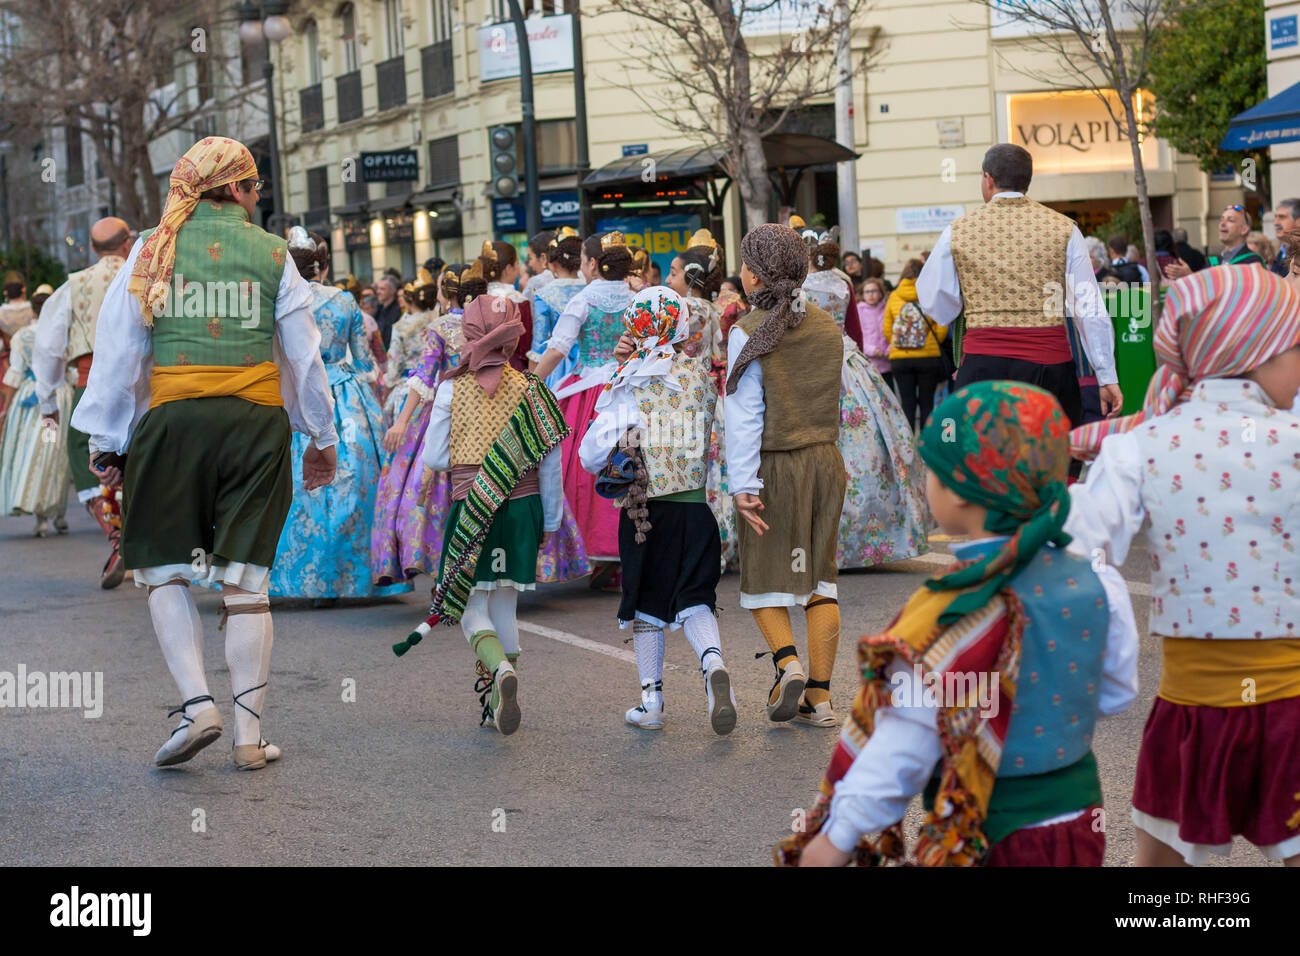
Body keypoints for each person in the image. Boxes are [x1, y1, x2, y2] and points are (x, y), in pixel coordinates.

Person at [776, 380, 1139, 867]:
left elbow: (902, 752)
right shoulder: (1098, 581)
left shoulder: (950, 611)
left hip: (987, 835)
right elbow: (1116, 691)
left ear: (963, 494)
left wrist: (835, 839)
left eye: (933, 472)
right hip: (1077, 823)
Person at [71, 137, 338, 770]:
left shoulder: (151, 249)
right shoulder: (276, 255)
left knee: (162, 570)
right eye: (254, 189)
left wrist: (108, 439)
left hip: (175, 422)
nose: (255, 200)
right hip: (255, 423)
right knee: (248, 581)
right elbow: (304, 357)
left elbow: (121, 353)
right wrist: (319, 436)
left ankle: (198, 706)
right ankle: (248, 740)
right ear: (240, 188)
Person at [1070, 265, 1300, 867]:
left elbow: (1082, 553)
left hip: (1189, 712)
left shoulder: (1142, 444)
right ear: (1256, 351)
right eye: (1297, 347)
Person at [406, 295, 567, 735]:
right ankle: (499, 701)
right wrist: (549, 523)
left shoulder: (452, 389)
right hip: (523, 509)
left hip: (474, 506)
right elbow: (549, 464)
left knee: (469, 606)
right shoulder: (535, 390)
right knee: (506, 607)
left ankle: (499, 671)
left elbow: (437, 456)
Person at [580, 286, 735, 734]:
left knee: (647, 605)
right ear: (681, 324)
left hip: (646, 513)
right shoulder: (700, 376)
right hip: (696, 507)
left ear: (634, 325)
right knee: (695, 598)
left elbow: (592, 455)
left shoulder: (628, 380)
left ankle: (652, 702)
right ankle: (713, 666)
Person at [724, 223, 846, 728]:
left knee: (763, 580)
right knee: (821, 580)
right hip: (824, 460)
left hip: (776, 465)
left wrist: (743, 485)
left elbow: (745, 416)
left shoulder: (747, 331)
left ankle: (786, 662)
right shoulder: (826, 325)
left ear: (755, 274)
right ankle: (819, 697)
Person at [916, 142, 1121, 429]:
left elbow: (935, 302)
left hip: (982, 366)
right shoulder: (1064, 229)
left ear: (988, 178)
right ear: (1027, 180)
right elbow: (1088, 307)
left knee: (981, 459)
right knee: (1050, 459)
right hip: (1048, 367)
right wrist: (1106, 375)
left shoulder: (958, 230)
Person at [269, 228, 409, 601]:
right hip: (344, 397)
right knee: (357, 479)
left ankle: (297, 578)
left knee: (294, 485)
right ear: (322, 266)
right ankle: (355, 576)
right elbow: (364, 362)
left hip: (292, 393)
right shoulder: (344, 300)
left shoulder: (277, 298)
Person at [805, 237, 930, 579]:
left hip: (811, 362)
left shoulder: (797, 284)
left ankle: (822, 544)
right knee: (870, 445)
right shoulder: (845, 282)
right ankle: (872, 537)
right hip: (849, 362)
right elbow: (854, 331)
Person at [33, 218, 135, 588]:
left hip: (91, 381)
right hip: (146, 383)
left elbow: (47, 347)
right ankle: (155, 545)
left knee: (86, 456)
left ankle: (115, 537)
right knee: (147, 454)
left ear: (92, 248)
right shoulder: (147, 273)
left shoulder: (73, 286)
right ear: (128, 243)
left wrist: (49, 404)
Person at [534, 232, 636, 578]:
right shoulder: (637, 298)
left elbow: (558, 347)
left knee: (578, 467)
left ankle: (590, 551)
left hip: (589, 392)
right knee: (627, 462)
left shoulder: (583, 299)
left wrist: (531, 383)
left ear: (592, 264)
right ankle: (624, 551)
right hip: (630, 387)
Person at [372, 262, 477, 585]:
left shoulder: (441, 326)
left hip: (441, 413)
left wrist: (402, 421)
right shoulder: (488, 321)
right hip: (484, 410)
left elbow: (423, 377)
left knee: (426, 489)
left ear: (445, 294)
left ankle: (436, 562)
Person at [665, 230, 735, 573]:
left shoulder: (681, 308)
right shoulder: (711, 307)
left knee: (688, 476)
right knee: (715, 474)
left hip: (683, 399)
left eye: (674, 272)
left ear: (689, 277)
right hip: (711, 396)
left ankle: (695, 549)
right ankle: (719, 541)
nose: (668, 278)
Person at [0, 313, 72, 536]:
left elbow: (15, 374)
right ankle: (54, 512)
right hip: (55, 400)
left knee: (33, 453)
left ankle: (43, 513)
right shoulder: (63, 334)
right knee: (54, 454)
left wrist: (6, 408)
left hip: (31, 405)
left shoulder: (22, 336)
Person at [884, 258, 947, 432]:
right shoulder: (930, 293)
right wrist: (932, 341)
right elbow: (941, 323)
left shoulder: (894, 296)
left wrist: (899, 344)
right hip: (928, 358)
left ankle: (909, 448)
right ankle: (927, 447)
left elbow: (887, 328)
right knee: (927, 403)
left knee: (907, 403)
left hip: (900, 359)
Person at [381, 268, 440, 426]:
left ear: (409, 300)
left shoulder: (401, 328)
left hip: (409, 390)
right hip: (436, 390)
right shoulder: (439, 324)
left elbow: (394, 366)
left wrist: (386, 392)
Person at [528, 229, 585, 391]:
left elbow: (539, 342)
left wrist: (532, 382)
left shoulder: (544, 294)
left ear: (552, 263)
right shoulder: (590, 290)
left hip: (558, 366)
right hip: (590, 365)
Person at [855, 276, 892, 390]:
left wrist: (890, 349)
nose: (870, 295)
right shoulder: (859, 311)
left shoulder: (887, 309)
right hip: (869, 363)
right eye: (867, 292)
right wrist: (871, 350)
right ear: (862, 294)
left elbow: (894, 332)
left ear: (880, 293)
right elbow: (857, 337)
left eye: (874, 291)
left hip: (887, 363)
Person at [523, 229, 555, 302]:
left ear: (543, 258)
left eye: (530, 258)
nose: (530, 264)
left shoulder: (537, 282)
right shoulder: (578, 277)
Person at [373, 274, 402, 351]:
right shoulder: (378, 309)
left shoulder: (398, 311)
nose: (378, 291)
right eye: (378, 288)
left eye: (382, 289)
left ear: (392, 291)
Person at [1271, 199, 1299, 276]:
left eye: (1282, 217)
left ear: (1298, 222)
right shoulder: (1281, 252)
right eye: (1275, 217)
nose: (1275, 223)